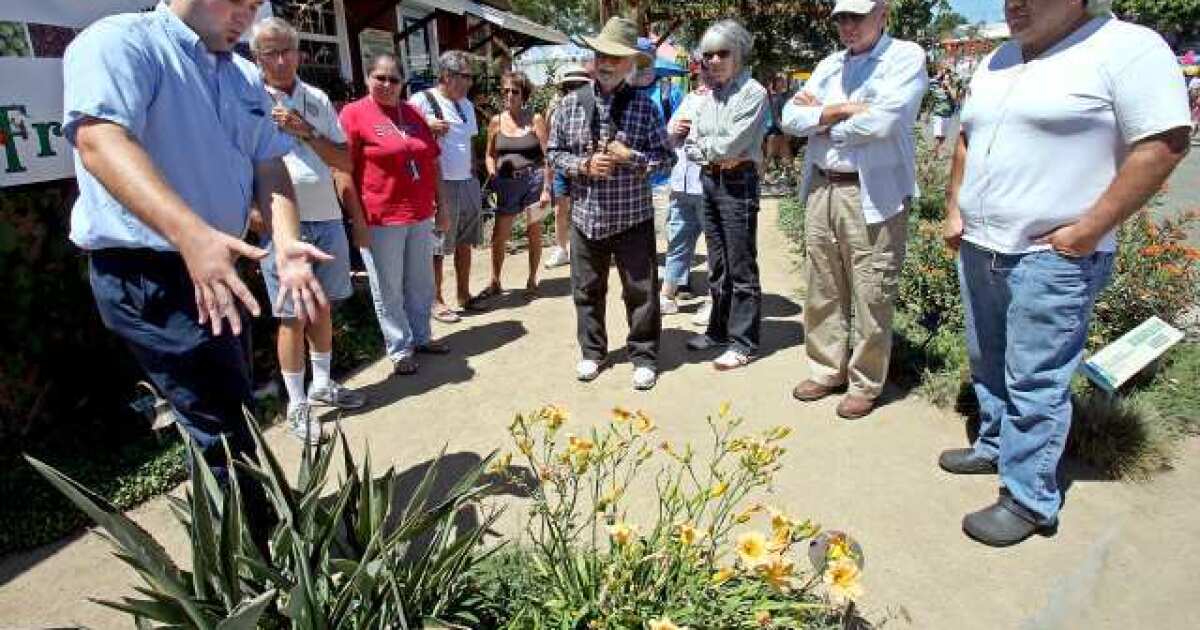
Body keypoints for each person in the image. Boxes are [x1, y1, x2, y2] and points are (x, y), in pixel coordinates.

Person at [63, 0, 330, 544]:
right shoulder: (122, 43)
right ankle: (259, 561)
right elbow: (99, 141)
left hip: (217, 265)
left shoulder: (240, 75)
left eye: (254, 6)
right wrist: (191, 234)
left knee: (231, 407)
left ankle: (258, 535)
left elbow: (268, 162)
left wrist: (283, 241)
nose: (246, 18)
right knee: (220, 424)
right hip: (151, 272)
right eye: (238, 2)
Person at [939, 0, 1191, 547]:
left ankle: (1029, 498)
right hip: (982, 245)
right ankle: (993, 444)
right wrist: (954, 207)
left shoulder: (1126, 47)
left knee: (1036, 379)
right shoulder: (999, 59)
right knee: (988, 358)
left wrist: (1086, 231)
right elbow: (966, 138)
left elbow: (1165, 143)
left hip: (1054, 258)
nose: (1014, 4)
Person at [782, 0, 927, 419]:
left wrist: (821, 121)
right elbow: (791, 117)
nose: (848, 25)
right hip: (823, 188)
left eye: (857, 16)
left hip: (872, 193)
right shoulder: (830, 64)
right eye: (842, 17)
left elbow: (883, 122)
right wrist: (844, 110)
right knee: (822, 285)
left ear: (883, 14)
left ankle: (865, 380)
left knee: (871, 287)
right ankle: (828, 369)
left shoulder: (905, 57)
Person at [250, 17, 367, 442]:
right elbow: (235, 160)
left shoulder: (315, 97)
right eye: (270, 53)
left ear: (299, 53)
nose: (281, 60)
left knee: (322, 308)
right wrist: (251, 211)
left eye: (287, 51)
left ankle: (322, 384)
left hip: (327, 218)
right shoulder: (248, 98)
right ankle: (297, 404)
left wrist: (306, 130)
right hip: (284, 227)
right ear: (257, 57)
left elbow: (344, 160)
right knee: (291, 316)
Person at [547, 17, 673, 390]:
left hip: (632, 218)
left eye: (616, 58)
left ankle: (644, 355)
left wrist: (629, 156)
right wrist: (583, 164)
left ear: (630, 64)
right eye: (601, 54)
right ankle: (592, 352)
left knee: (641, 291)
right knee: (586, 290)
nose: (606, 62)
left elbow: (666, 160)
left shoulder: (645, 108)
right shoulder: (569, 105)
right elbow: (554, 153)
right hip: (586, 218)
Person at [340, 55, 449, 377]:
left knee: (420, 281)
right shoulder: (354, 114)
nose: (387, 85)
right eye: (380, 78)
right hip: (380, 218)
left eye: (393, 79)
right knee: (388, 287)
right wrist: (356, 220)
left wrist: (442, 205)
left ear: (403, 83)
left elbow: (432, 162)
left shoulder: (413, 113)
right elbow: (342, 170)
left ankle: (422, 336)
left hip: (419, 214)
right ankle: (400, 349)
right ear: (367, 79)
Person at [680, 20, 769, 371]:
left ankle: (744, 342)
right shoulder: (708, 96)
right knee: (717, 265)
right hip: (710, 181)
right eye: (708, 55)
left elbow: (731, 144)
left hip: (737, 183)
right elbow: (691, 145)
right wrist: (712, 150)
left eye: (722, 53)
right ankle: (718, 330)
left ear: (739, 54)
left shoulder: (754, 93)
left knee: (741, 266)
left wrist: (712, 148)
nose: (714, 60)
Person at [410, 50, 482, 323]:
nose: (469, 82)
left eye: (470, 77)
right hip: (439, 184)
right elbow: (403, 133)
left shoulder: (466, 106)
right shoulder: (421, 100)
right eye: (465, 76)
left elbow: (470, 144)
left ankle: (464, 294)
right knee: (438, 246)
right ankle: (436, 300)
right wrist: (426, 125)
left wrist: (474, 175)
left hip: (466, 181)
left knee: (465, 241)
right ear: (446, 76)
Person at [479, 70, 551, 299]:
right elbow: (489, 155)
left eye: (515, 91)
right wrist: (493, 173)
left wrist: (547, 189)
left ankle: (532, 279)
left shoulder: (535, 119)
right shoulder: (495, 121)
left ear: (524, 94)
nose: (510, 95)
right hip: (506, 183)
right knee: (499, 234)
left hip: (534, 180)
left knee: (534, 232)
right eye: (506, 91)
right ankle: (496, 280)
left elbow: (548, 156)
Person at [660, 52, 711, 317]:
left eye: (705, 68)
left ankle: (715, 301)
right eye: (699, 69)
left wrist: (694, 131)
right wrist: (674, 130)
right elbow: (667, 137)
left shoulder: (727, 99)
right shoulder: (690, 98)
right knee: (678, 239)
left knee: (715, 246)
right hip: (681, 184)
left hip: (707, 186)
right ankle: (667, 294)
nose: (702, 74)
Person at [544, 64, 593, 269]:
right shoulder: (556, 108)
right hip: (562, 167)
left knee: (581, 209)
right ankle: (561, 249)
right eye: (569, 86)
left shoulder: (591, 108)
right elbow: (549, 140)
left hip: (583, 167)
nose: (573, 89)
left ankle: (580, 249)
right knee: (560, 209)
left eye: (578, 85)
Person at [764, 74, 795, 182]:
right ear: (775, 83)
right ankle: (760, 177)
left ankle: (790, 178)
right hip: (775, 130)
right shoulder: (774, 98)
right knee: (770, 155)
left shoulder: (782, 96)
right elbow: (776, 118)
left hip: (779, 130)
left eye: (783, 80)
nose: (783, 82)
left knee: (785, 154)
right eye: (780, 81)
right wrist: (785, 130)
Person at [928, 67, 957, 158]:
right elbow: (929, 82)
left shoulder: (951, 88)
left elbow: (955, 97)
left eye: (948, 79)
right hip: (938, 115)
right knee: (938, 135)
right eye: (945, 79)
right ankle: (935, 154)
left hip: (948, 115)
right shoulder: (936, 88)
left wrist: (948, 87)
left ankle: (935, 151)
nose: (946, 80)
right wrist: (938, 76)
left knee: (943, 136)